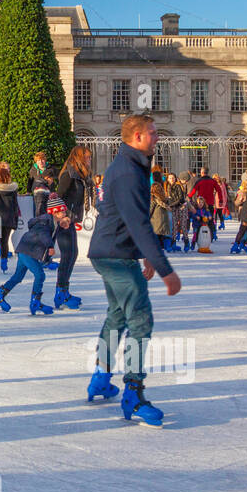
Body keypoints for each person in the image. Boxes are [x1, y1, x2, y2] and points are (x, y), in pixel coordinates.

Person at [85, 114, 180, 427]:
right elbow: (139, 223)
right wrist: (166, 269)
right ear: (137, 137)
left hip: (111, 251)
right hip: (115, 255)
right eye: (152, 133)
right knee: (140, 319)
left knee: (117, 315)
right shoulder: (128, 170)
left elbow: (129, 218)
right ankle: (134, 396)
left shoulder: (130, 166)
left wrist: (146, 255)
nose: (157, 138)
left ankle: (100, 377)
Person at [0, 194, 71, 315]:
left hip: (25, 250)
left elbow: (50, 234)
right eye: (62, 212)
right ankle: (35, 303)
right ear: (55, 212)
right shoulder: (45, 221)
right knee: (40, 275)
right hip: (27, 251)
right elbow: (43, 234)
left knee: (18, 277)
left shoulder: (52, 222)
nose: (65, 214)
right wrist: (50, 246)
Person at [53, 145, 91, 308]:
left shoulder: (78, 176)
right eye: (87, 157)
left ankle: (64, 291)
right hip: (64, 221)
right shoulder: (69, 175)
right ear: (79, 158)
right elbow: (57, 197)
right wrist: (61, 217)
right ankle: (60, 293)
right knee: (68, 255)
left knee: (72, 254)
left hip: (71, 220)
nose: (90, 160)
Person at [27, 151, 56, 217]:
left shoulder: (50, 169)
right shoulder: (33, 170)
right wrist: (28, 191)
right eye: (38, 160)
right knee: (37, 212)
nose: (40, 162)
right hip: (36, 195)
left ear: (45, 160)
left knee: (47, 213)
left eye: (42, 159)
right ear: (36, 161)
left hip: (48, 195)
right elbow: (30, 181)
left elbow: (52, 182)